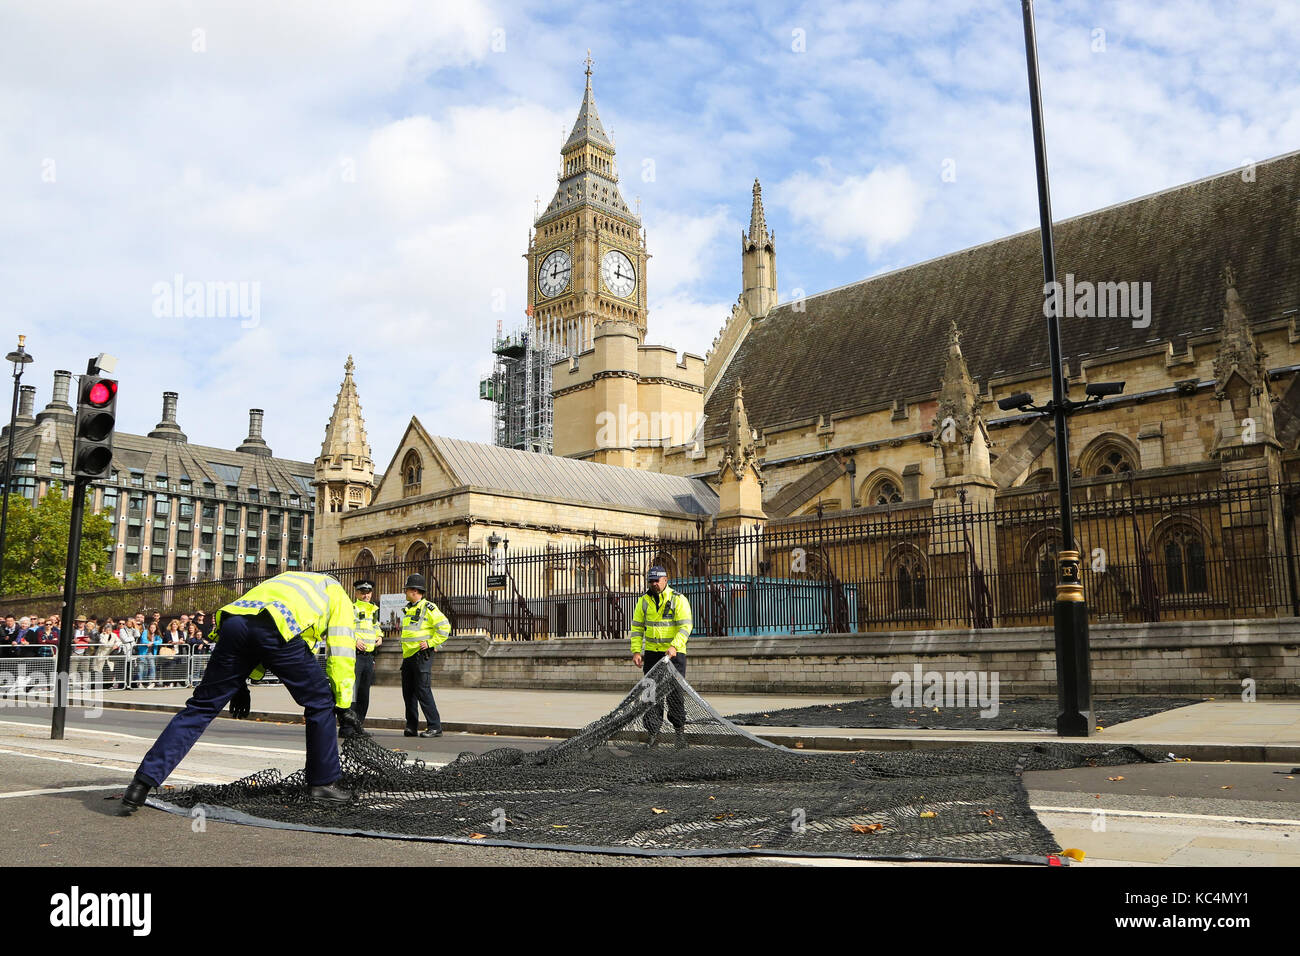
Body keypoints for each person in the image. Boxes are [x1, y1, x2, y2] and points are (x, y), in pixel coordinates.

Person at [121, 571, 362, 813]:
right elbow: (341, 650)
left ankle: (142, 782)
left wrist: (239, 685)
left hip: (233, 624)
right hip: (278, 628)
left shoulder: (287, 578)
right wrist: (343, 704)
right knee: (320, 702)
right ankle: (323, 783)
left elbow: (249, 624)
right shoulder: (337, 593)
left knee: (201, 706)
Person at [629, 565, 693, 747]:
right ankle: (653, 734)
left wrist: (675, 646)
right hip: (651, 655)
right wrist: (635, 651)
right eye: (651, 581)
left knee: (675, 694)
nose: (654, 584)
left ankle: (679, 734)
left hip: (674, 655)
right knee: (650, 694)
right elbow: (636, 628)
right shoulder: (643, 601)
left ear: (666, 580)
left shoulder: (678, 599)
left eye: (657, 580)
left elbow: (685, 627)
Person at [398, 573, 450, 738]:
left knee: (423, 690)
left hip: (421, 655)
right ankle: (411, 726)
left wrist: (431, 643)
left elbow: (444, 627)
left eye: (407, 589)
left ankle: (435, 726)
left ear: (414, 591)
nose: (405, 592)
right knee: (408, 693)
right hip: (408, 656)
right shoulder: (409, 608)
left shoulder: (429, 608)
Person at [343, 579, 381, 737]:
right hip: (355, 655)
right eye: (363, 592)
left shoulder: (373, 610)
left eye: (369, 592)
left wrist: (380, 636)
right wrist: (354, 641)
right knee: (352, 694)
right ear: (356, 593)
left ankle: (358, 726)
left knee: (364, 694)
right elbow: (344, 629)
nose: (366, 595)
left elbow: (375, 626)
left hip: (369, 656)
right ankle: (346, 728)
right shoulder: (350, 608)